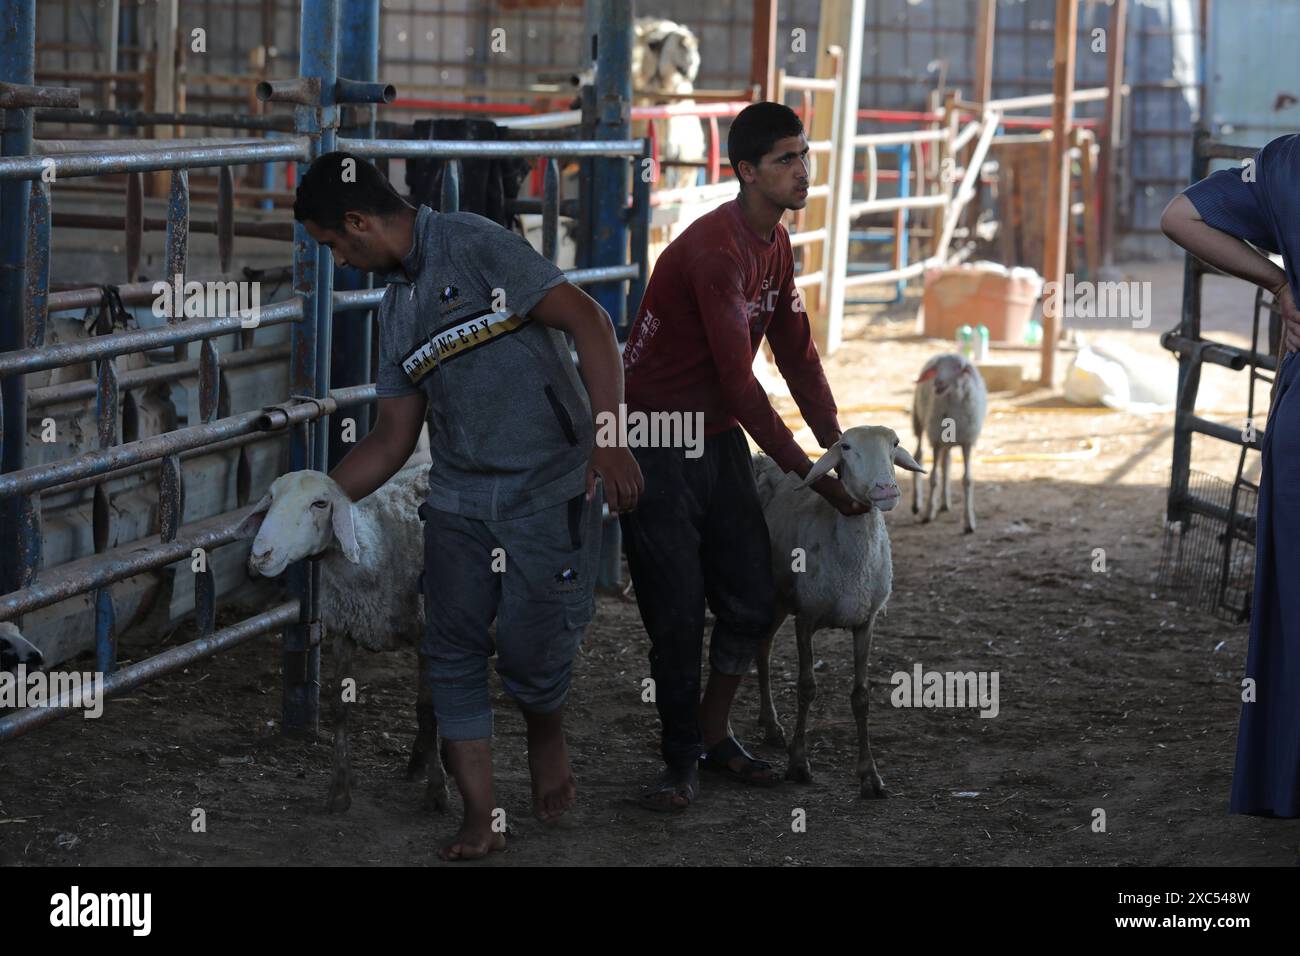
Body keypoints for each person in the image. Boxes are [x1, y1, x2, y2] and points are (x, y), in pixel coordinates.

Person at [292, 152, 643, 858]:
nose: (340, 259)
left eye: (334, 244)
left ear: (358, 222)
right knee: (449, 648)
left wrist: (610, 439)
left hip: (547, 485)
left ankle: (545, 729)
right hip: (457, 496)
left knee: (530, 645)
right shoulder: (397, 313)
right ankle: (480, 816)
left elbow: (592, 323)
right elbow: (393, 439)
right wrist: (314, 499)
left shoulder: (474, 243)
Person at [619, 102, 866, 811]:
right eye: (786, 159)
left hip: (717, 436)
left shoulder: (775, 242)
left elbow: (795, 350)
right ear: (746, 170)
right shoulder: (715, 252)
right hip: (658, 437)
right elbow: (740, 379)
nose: (803, 170)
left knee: (753, 598)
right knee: (676, 612)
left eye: (805, 155)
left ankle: (712, 733)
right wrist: (812, 474)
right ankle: (678, 762)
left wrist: (836, 444)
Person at [1161, 134, 1300, 822]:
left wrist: (1279, 282)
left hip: (1299, 420)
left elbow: (1179, 216)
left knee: (1293, 605)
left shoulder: (1283, 164)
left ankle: (1285, 779)